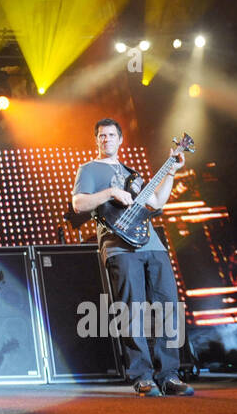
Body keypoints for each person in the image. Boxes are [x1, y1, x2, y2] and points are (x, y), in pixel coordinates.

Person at [71, 118, 192, 396]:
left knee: (167, 306)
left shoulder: (132, 173)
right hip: (118, 246)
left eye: (111, 135)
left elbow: (157, 203)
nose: (106, 139)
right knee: (131, 309)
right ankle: (142, 377)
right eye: (101, 136)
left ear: (120, 139)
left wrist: (171, 171)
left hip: (153, 244)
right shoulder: (88, 169)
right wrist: (111, 192)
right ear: (96, 140)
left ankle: (169, 375)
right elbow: (79, 204)